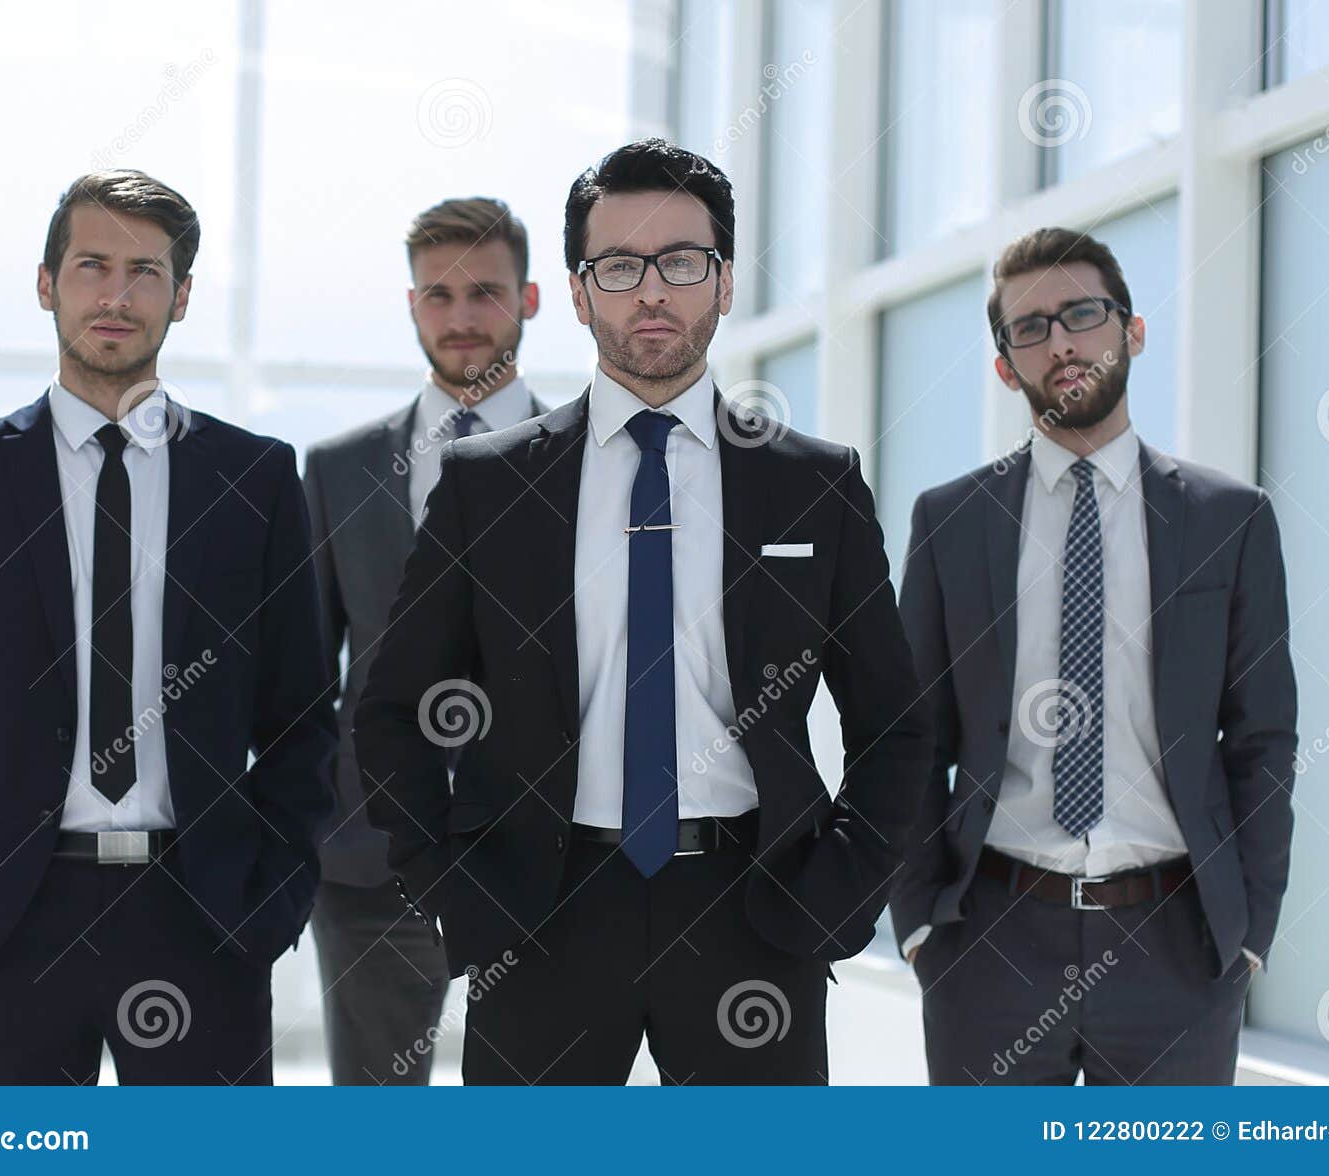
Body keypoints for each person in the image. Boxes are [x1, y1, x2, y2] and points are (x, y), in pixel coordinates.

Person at [353, 139, 931, 1084]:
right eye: (618, 266)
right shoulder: (487, 488)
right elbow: (391, 714)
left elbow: (896, 725)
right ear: (579, 294)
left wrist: (836, 900)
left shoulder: (813, 486)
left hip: (755, 916)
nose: (650, 291)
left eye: (681, 262)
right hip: (542, 918)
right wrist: (456, 890)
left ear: (725, 282)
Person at [0, 170, 336, 1085]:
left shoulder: (256, 481)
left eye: (145, 272)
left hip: (203, 911)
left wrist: (270, 899)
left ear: (183, 296)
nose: (116, 296)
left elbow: (302, 715)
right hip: (8, 918)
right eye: (91, 266)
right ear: (47, 284)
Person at [892, 227, 1297, 1085]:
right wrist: (922, 924)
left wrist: (1251, 931)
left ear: (1133, 331)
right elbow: (913, 735)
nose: (1062, 341)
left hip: (1176, 943)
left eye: (1082, 313)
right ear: (1006, 366)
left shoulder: (1231, 519)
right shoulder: (951, 523)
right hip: (992, 939)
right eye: (1030, 328)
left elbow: (1262, 738)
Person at [303, 196, 546, 1084]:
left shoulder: (600, 455)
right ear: (412, 307)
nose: (461, 317)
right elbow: (304, 672)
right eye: (437, 296)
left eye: (485, 292)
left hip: (544, 860)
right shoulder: (338, 469)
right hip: (372, 858)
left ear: (530, 300)